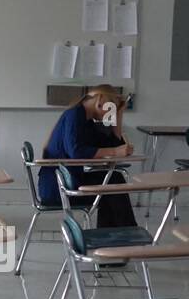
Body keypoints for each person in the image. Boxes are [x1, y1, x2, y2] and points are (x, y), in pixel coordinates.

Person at [37, 85, 137, 227]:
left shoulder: (87, 120)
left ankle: (111, 236)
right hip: (57, 188)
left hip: (69, 180)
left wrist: (119, 114)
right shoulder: (75, 114)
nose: (111, 113)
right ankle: (127, 234)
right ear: (100, 99)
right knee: (113, 181)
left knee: (112, 181)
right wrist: (115, 151)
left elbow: (110, 142)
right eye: (111, 107)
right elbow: (76, 152)